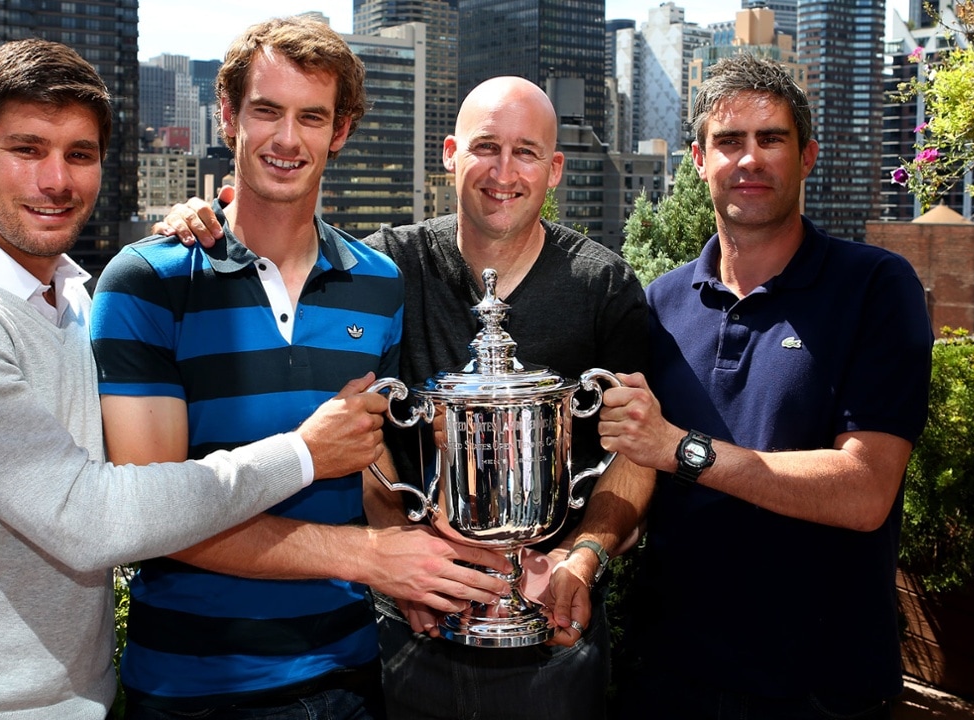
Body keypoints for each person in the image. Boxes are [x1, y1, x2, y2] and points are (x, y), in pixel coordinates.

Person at [0, 38, 389, 720]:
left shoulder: (73, 303)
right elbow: (93, 519)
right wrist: (307, 454)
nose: (56, 181)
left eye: (80, 154)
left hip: (82, 699)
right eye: (27, 149)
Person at [159, 76, 654, 720]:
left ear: (554, 169)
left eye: (526, 152)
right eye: (485, 147)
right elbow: (360, 425)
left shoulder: (603, 283)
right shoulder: (389, 266)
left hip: (553, 634)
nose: (503, 172)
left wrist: (580, 557)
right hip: (406, 630)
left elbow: (638, 449)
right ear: (449, 153)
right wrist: (199, 221)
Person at [88, 18, 513, 720]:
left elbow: (366, 469)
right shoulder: (146, 282)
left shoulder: (377, 283)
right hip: (194, 692)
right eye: (266, 111)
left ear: (339, 131)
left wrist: (425, 545)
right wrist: (364, 556)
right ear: (227, 115)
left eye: (311, 117)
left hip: (349, 678)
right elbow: (148, 514)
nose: (288, 140)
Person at [596, 52, 934, 719]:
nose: (748, 160)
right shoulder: (659, 304)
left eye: (770, 139)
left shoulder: (874, 288)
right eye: (728, 142)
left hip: (820, 684)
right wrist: (583, 556)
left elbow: (865, 490)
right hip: (667, 673)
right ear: (698, 159)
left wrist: (682, 450)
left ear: (805, 156)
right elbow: (631, 469)